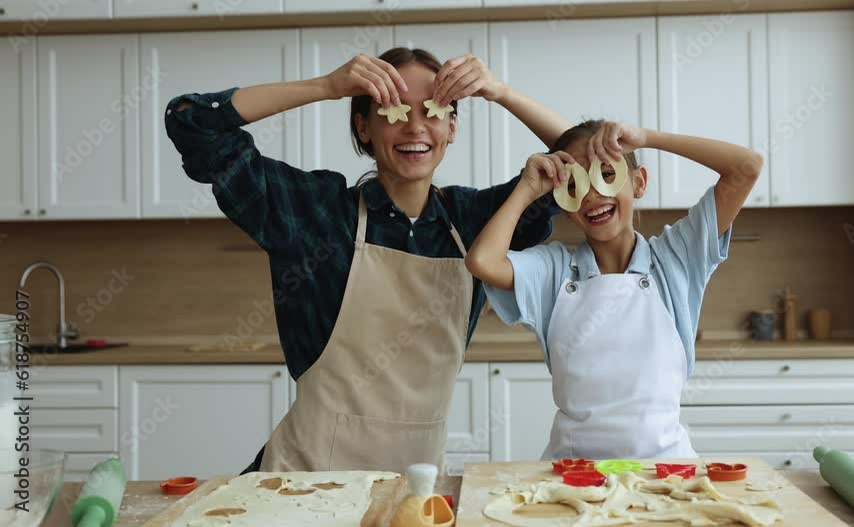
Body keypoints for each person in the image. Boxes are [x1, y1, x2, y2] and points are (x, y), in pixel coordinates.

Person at [165, 48, 571, 473]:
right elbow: (190, 120)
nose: (415, 126)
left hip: (413, 485)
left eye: (432, 111)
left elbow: (589, 161)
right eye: (393, 110)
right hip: (303, 482)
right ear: (363, 127)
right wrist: (325, 87)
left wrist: (500, 92)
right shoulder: (315, 213)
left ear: (452, 127)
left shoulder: (477, 224)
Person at [465, 120, 762, 459]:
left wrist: (649, 138)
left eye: (607, 174)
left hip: (665, 471)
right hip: (572, 474)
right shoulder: (554, 270)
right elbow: (483, 261)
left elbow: (747, 166)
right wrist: (527, 189)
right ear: (563, 201)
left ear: (638, 182)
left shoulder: (677, 258)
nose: (593, 194)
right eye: (576, 184)